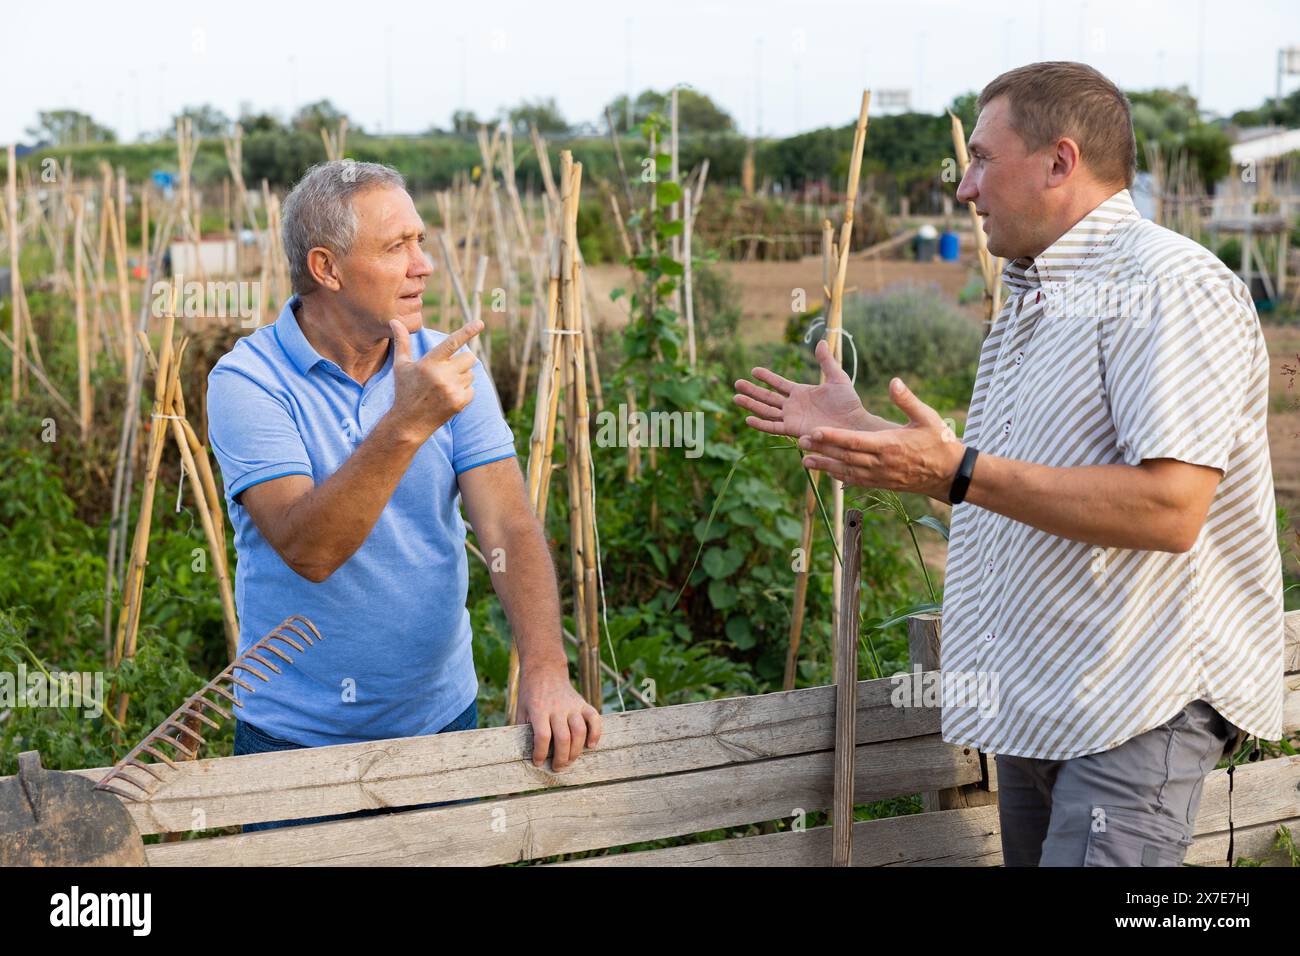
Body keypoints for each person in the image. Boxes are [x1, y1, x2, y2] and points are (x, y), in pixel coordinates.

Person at [733, 61, 1283, 866]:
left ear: (1060, 162)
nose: (966, 190)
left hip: (1133, 701)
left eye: (983, 160)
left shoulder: (1165, 285)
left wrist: (953, 473)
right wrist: (876, 436)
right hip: (1046, 698)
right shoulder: (1036, 294)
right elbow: (1027, 479)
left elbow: (1170, 510)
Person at [206, 160, 600, 831]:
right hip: (293, 744)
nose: (425, 266)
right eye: (397, 247)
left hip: (440, 727)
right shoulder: (248, 382)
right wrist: (409, 421)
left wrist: (544, 667)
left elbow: (505, 524)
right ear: (327, 268)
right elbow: (311, 548)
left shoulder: (446, 364)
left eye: (421, 241)